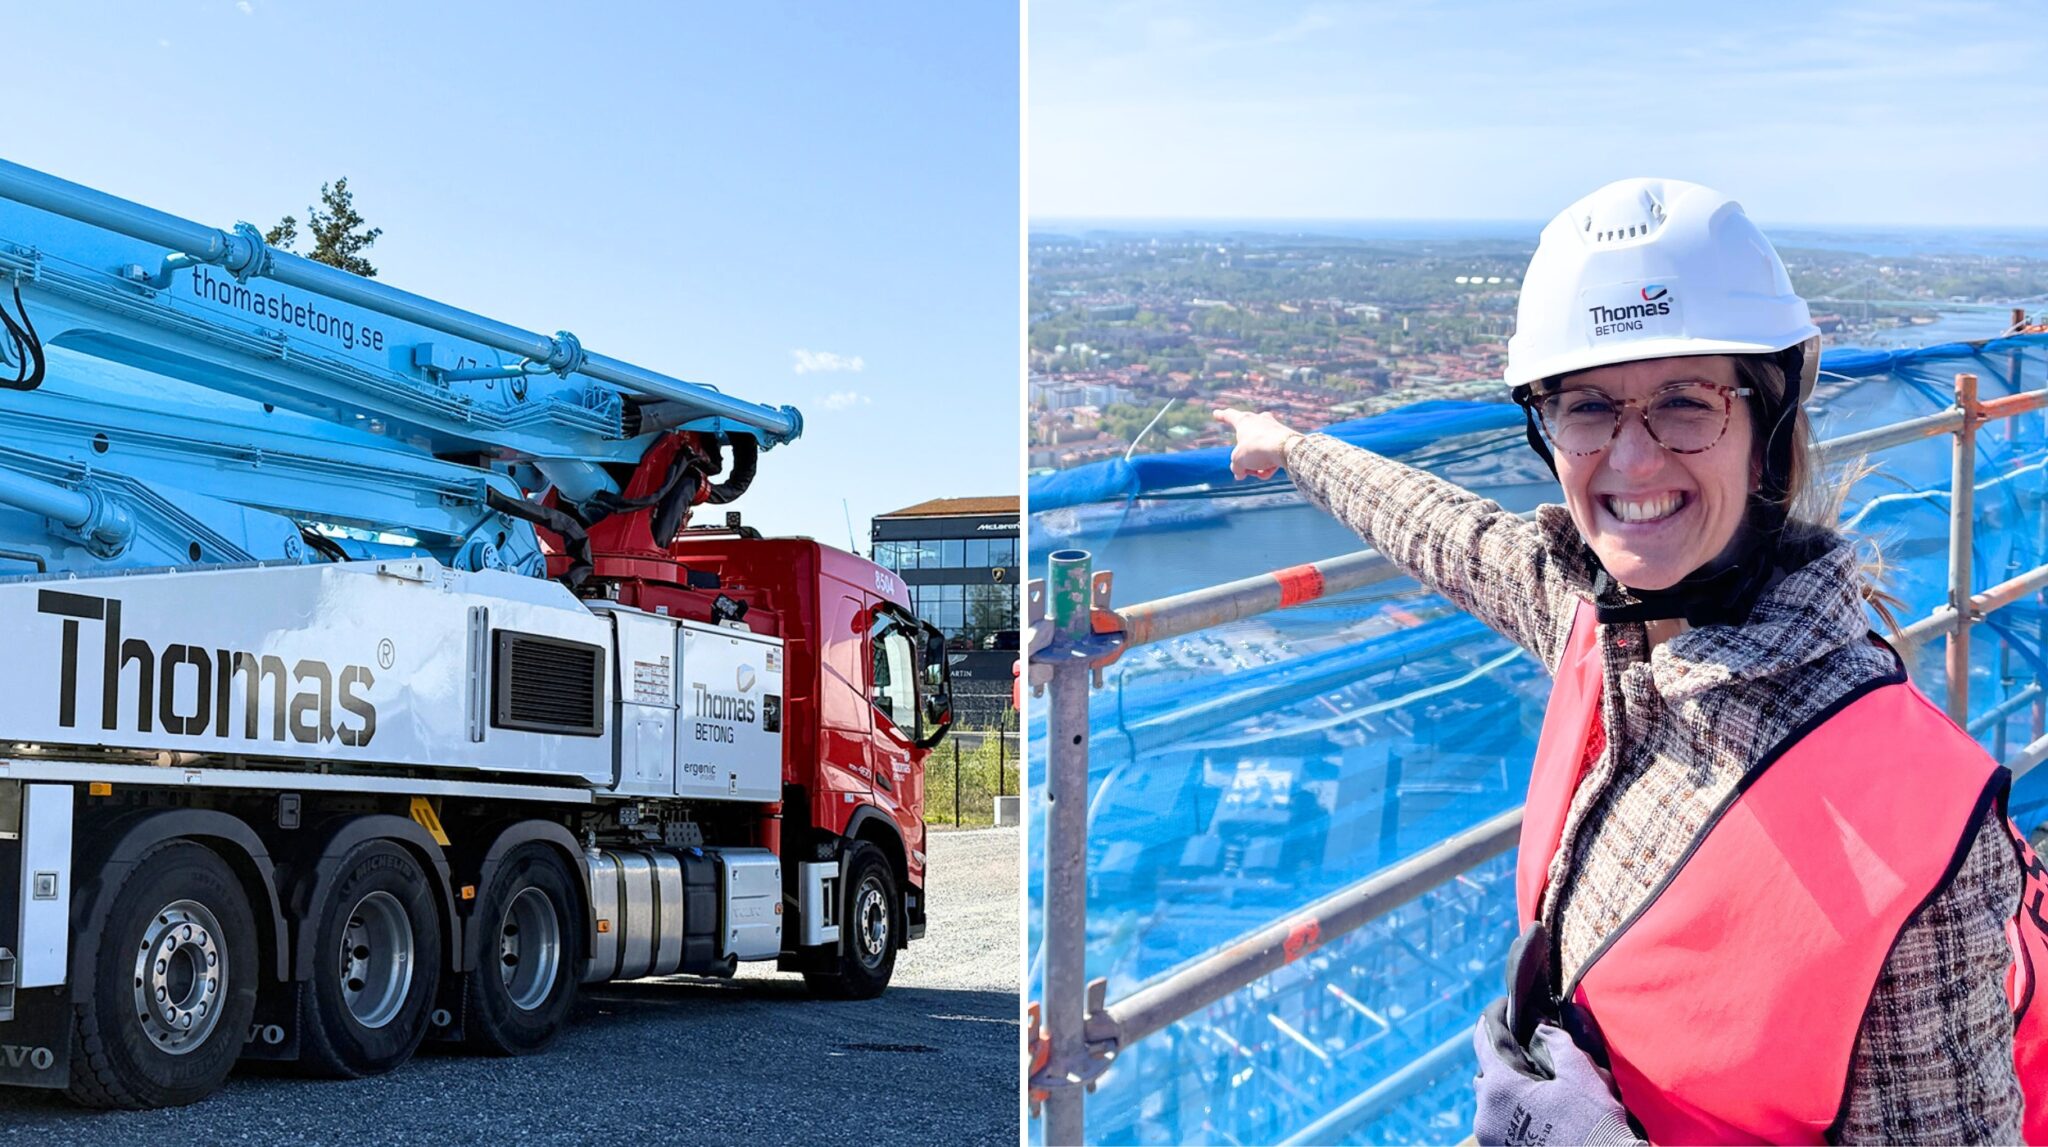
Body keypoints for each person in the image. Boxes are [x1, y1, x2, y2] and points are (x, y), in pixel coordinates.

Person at [1217, 178, 2047, 1145]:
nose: (1633, 458)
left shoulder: (1918, 836)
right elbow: (1441, 530)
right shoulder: (1603, 627)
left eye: (1685, 404)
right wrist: (1292, 447)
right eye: (1587, 409)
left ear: (1769, 429)